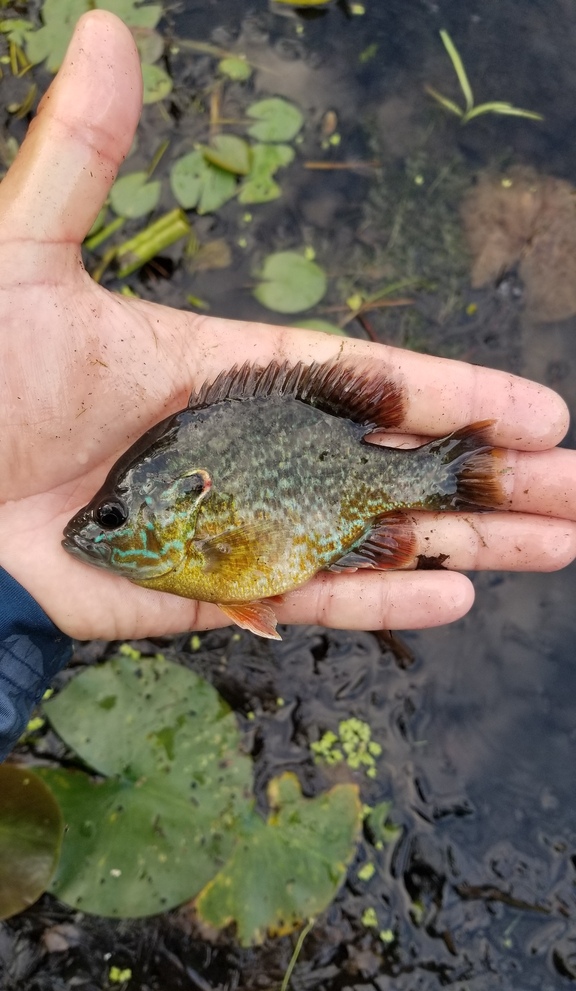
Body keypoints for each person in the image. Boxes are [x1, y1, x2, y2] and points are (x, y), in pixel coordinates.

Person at [1, 11, 575, 761]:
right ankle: (449, 474)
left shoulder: (195, 537)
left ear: (185, 506)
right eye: (108, 515)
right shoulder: (185, 539)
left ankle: (450, 474)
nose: (93, 528)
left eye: (113, 516)